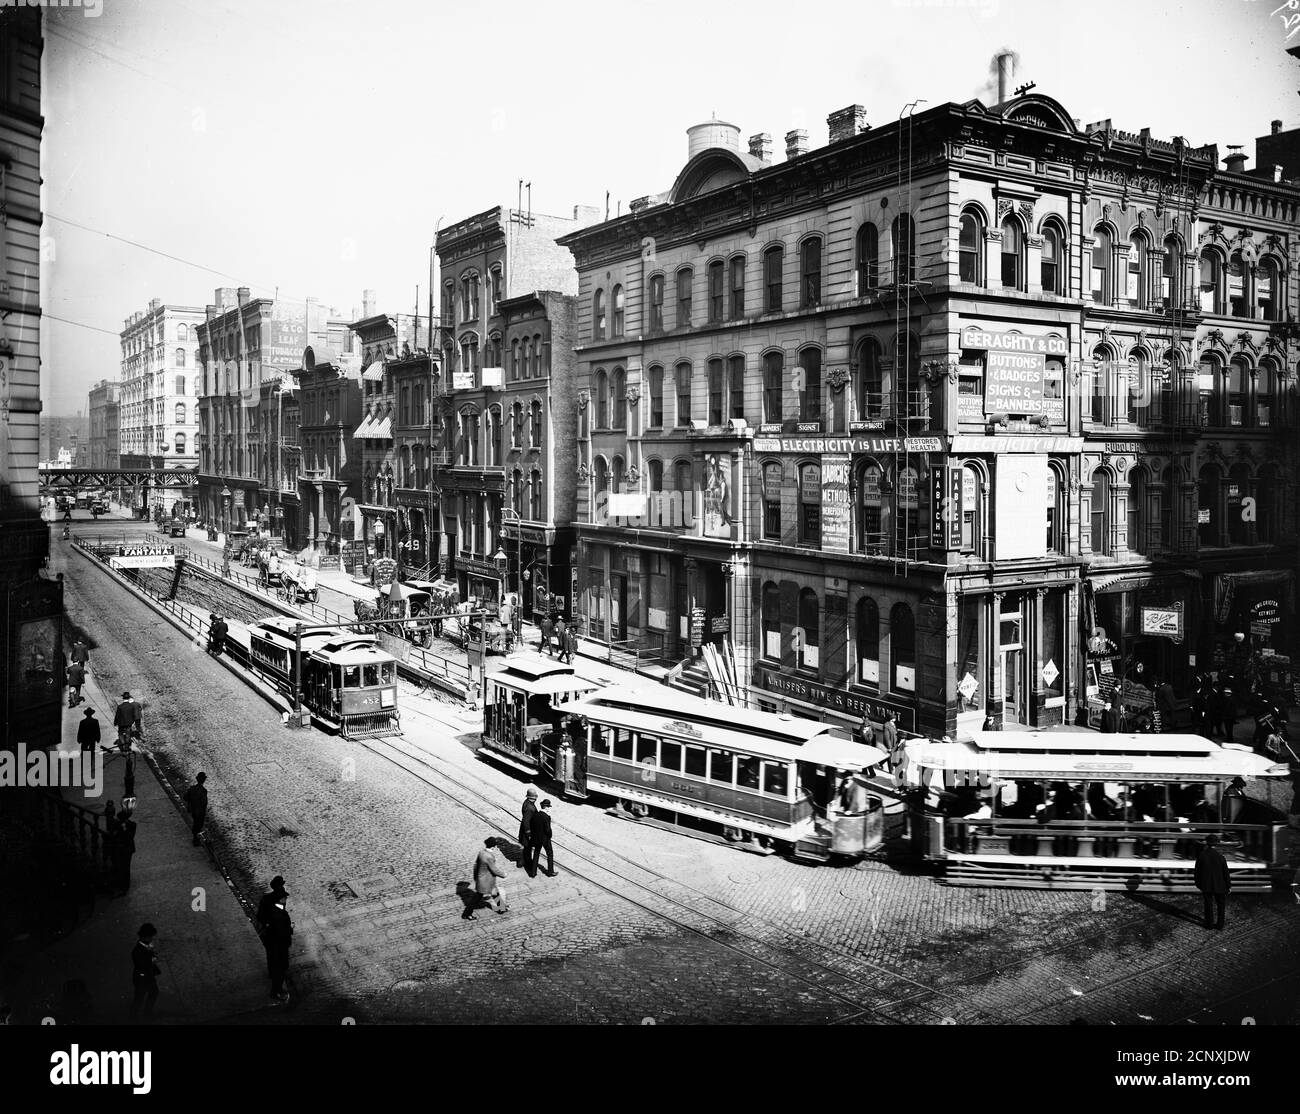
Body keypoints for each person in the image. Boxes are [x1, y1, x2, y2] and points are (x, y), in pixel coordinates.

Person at [256, 876, 294, 1003]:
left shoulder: (266, 899)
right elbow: (282, 929)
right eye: (284, 898)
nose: (285, 900)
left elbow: (260, 916)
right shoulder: (279, 913)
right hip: (279, 941)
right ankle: (276, 991)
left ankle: (273, 977)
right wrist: (288, 931)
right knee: (281, 966)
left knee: (272, 960)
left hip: (269, 938)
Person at [1193, 834, 1231, 930]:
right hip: (1220, 885)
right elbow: (1226, 873)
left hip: (1206, 885)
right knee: (1221, 906)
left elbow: (1197, 871)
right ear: (1216, 844)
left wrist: (1198, 883)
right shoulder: (1221, 857)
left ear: (1207, 843)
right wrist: (1229, 886)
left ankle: (1209, 924)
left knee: (1208, 905)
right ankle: (1220, 925)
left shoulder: (1201, 855)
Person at [129, 923, 160, 1021]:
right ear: (144, 936)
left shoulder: (147, 946)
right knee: (140, 997)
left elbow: (153, 961)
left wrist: (153, 956)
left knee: (153, 993)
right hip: (141, 977)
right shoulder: (138, 949)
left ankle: (146, 1013)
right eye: (150, 936)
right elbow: (141, 965)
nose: (151, 938)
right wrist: (151, 957)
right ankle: (134, 1016)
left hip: (148, 976)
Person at [471, 837, 508, 916]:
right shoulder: (489, 856)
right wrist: (503, 874)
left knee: (495, 893)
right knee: (477, 898)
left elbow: (476, 865)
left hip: (485, 879)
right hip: (486, 881)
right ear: (493, 846)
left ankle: (502, 908)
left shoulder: (481, 852)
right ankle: (467, 913)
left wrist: (475, 877)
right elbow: (494, 869)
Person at [111, 808, 138, 895]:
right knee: (119, 866)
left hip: (127, 849)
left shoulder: (132, 825)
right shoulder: (117, 824)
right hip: (119, 848)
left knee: (126, 868)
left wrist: (123, 829)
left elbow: (129, 837)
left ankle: (125, 887)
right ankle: (120, 884)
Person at [529, 799, 556, 878]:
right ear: (546, 807)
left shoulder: (535, 815)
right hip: (545, 839)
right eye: (548, 807)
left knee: (536, 853)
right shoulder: (546, 817)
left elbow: (532, 826)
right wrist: (549, 836)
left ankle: (533, 872)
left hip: (537, 838)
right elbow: (548, 830)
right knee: (550, 853)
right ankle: (550, 872)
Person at [184, 772, 208, 846]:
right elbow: (204, 802)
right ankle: (196, 839)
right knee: (199, 824)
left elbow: (185, 797)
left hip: (193, 810)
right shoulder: (203, 790)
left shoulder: (192, 789)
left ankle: (195, 838)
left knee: (195, 823)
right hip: (200, 811)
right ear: (203, 780)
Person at [517, 788, 538, 870]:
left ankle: (524, 861)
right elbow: (526, 821)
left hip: (525, 829)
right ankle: (526, 862)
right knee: (527, 847)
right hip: (527, 830)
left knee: (526, 847)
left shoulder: (526, 802)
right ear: (533, 798)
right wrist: (529, 833)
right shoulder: (530, 808)